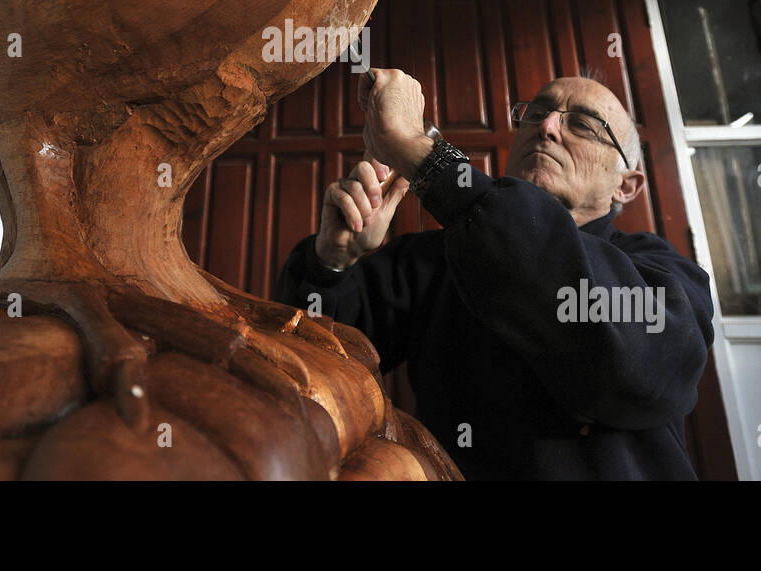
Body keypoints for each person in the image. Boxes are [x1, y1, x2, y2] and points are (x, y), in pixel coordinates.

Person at [275, 68, 716, 480]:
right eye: (537, 113)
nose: (546, 127)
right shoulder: (433, 259)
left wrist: (418, 149)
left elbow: (632, 368)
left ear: (627, 185)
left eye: (583, 125)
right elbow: (307, 364)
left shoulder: (667, 278)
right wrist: (333, 262)